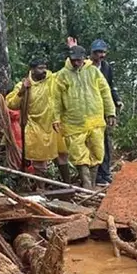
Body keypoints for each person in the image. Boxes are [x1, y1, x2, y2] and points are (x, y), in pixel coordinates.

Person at [51, 46, 117, 189]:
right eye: (74, 60)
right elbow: (56, 100)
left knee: (97, 152)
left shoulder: (93, 71)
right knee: (78, 155)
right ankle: (87, 186)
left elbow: (105, 91)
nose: (76, 63)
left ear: (84, 58)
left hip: (95, 120)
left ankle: (91, 185)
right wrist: (55, 118)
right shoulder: (62, 75)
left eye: (79, 60)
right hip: (74, 122)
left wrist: (110, 112)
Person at [5, 58, 71, 186]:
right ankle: (41, 188)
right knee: (39, 160)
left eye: (45, 67)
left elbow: (66, 73)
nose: (44, 71)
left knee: (62, 155)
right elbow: (11, 104)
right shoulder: (23, 85)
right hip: (35, 126)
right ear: (32, 70)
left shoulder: (52, 80)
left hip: (53, 125)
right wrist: (22, 91)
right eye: (40, 68)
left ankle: (68, 185)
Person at [89, 39, 122, 185]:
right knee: (92, 142)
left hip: (102, 109)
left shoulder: (106, 67)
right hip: (88, 109)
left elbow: (110, 87)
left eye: (102, 52)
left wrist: (116, 101)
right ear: (92, 53)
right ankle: (94, 175)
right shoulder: (86, 67)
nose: (100, 55)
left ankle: (105, 172)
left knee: (105, 141)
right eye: (97, 52)